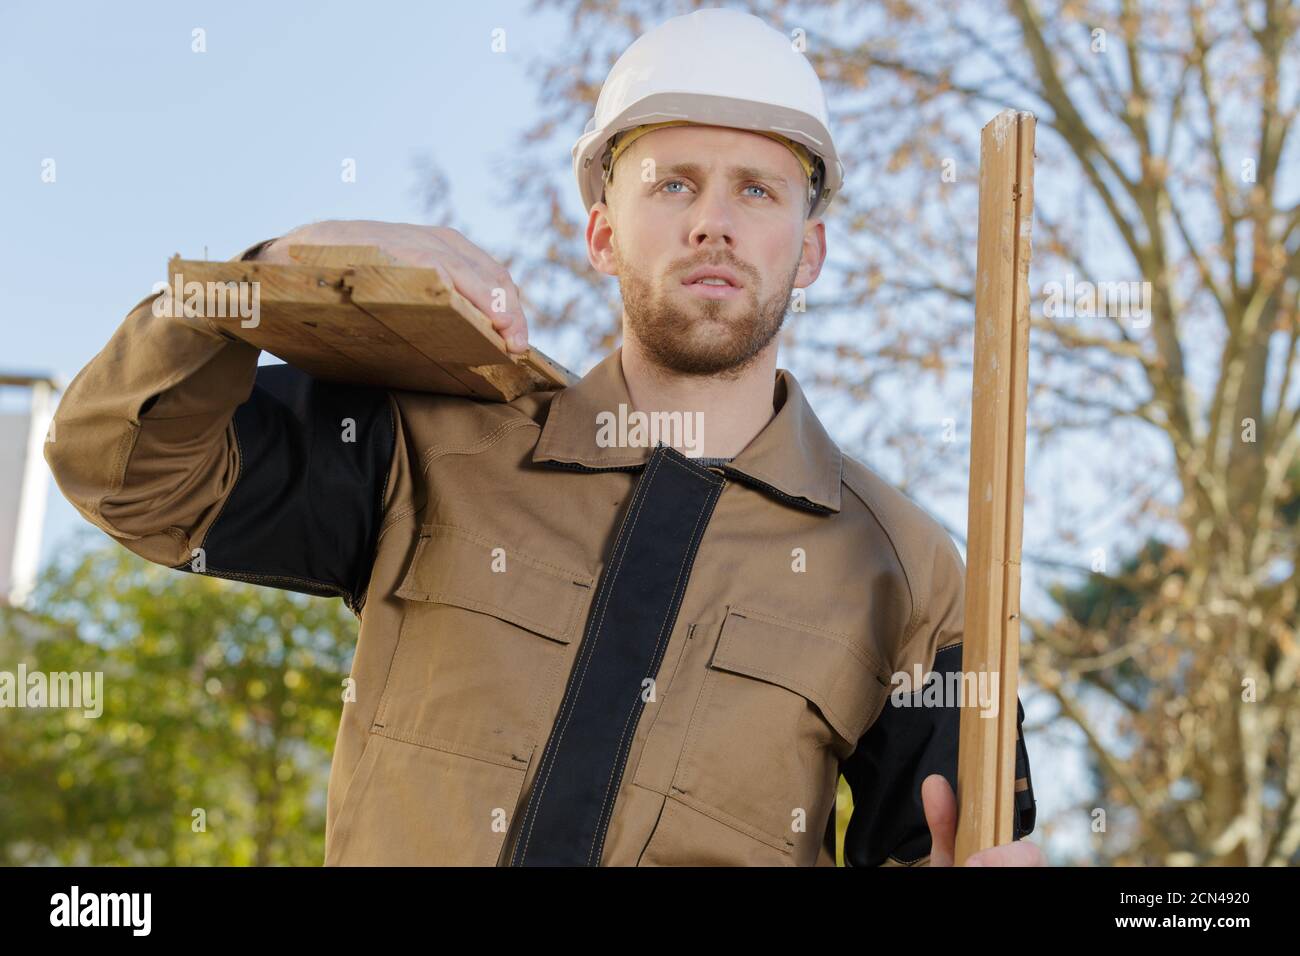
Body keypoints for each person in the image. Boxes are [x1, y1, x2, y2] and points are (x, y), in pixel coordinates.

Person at [45, 7, 1040, 866]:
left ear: (808, 249)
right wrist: (274, 275)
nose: (712, 224)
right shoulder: (430, 444)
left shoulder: (907, 569)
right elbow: (121, 469)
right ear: (601, 232)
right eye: (672, 184)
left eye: (757, 189)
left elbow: (952, 843)